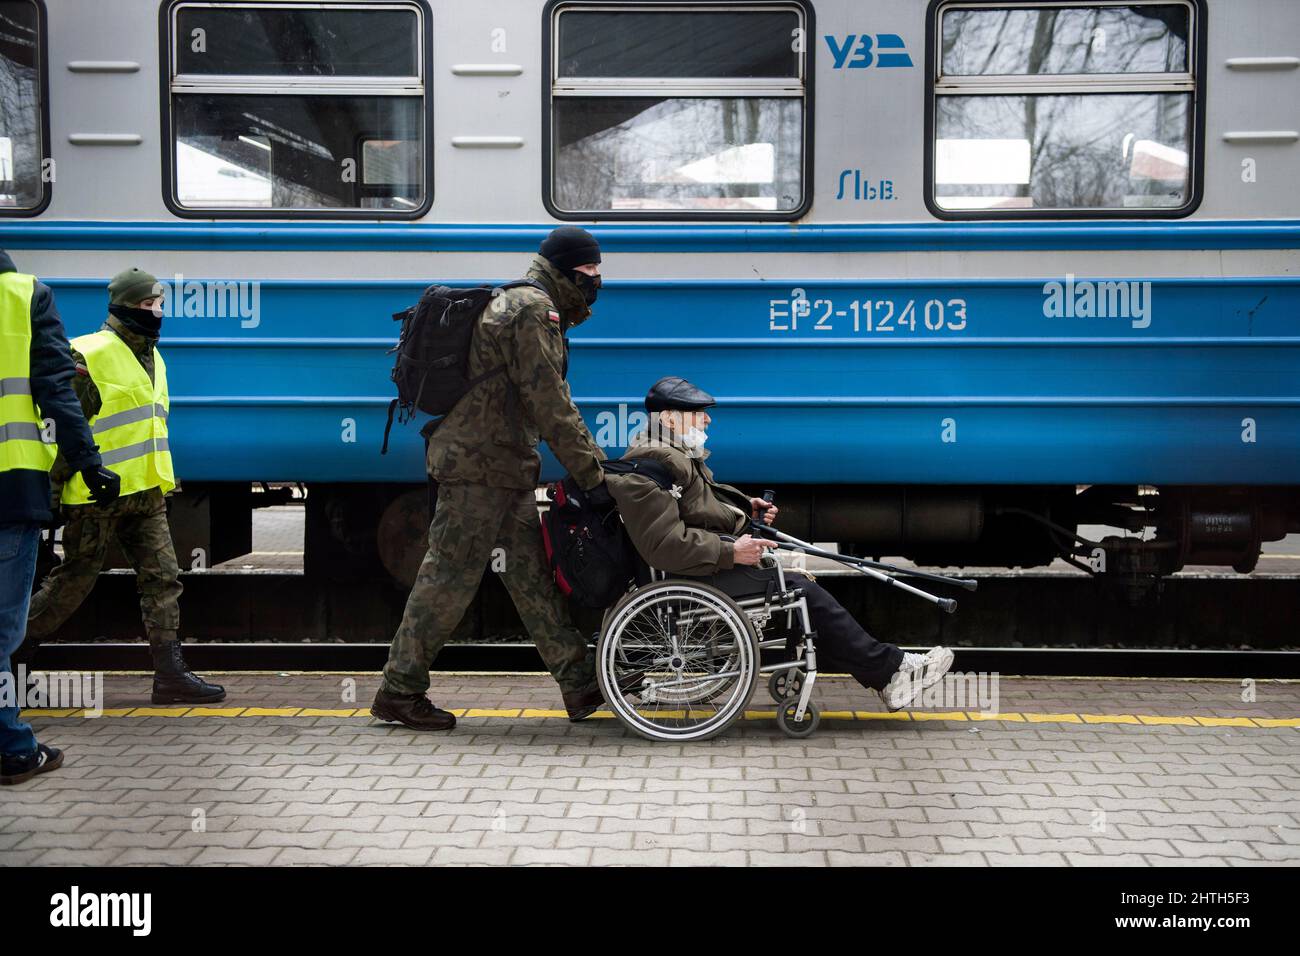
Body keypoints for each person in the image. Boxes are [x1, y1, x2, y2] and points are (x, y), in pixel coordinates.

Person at [372, 226, 614, 730]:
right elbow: (549, 403)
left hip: (499, 466)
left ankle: (580, 684)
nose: (597, 279)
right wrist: (593, 474)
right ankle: (399, 689)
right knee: (449, 576)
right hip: (479, 468)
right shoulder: (532, 311)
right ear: (568, 268)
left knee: (530, 577)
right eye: (591, 270)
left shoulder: (525, 303)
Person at [606, 376, 954, 712]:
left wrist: (746, 507)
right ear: (669, 418)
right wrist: (731, 551)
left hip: (702, 565)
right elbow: (662, 544)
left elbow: (699, 508)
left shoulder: (673, 455)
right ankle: (890, 672)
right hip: (691, 574)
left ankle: (885, 673)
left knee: (800, 587)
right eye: (698, 411)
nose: (707, 418)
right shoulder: (651, 465)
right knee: (801, 591)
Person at [21, 267, 225, 705]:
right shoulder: (88, 353)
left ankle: (170, 675)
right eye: (147, 306)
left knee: (164, 578)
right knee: (73, 582)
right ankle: (14, 661)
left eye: (159, 305)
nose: (157, 313)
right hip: (94, 495)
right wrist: (52, 495)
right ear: (122, 307)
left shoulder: (154, 357)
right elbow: (61, 427)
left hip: (145, 495)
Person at [1, 250, 119, 785]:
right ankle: (11, 749)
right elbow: (57, 391)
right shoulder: (23, 296)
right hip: (9, 492)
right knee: (3, 631)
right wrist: (90, 465)